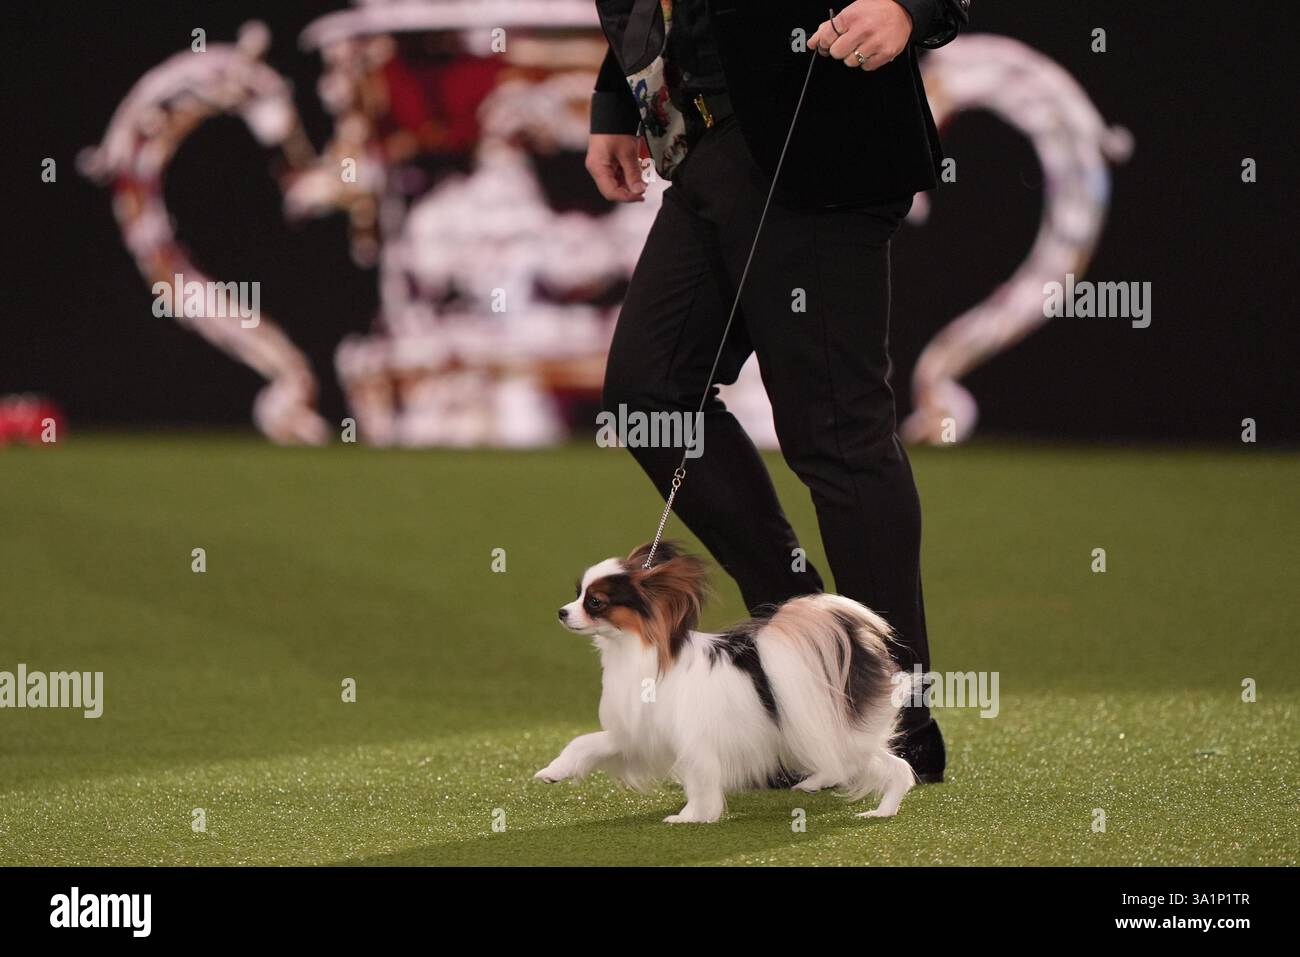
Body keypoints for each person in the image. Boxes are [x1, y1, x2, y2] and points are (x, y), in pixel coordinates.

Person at [587, 0, 971, 783]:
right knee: (647, 393)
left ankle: (898, 718)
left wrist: (912, 7)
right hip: (700, 142)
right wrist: (616, 98)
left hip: (816, 129)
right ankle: (804, 664)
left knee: (836, 435)